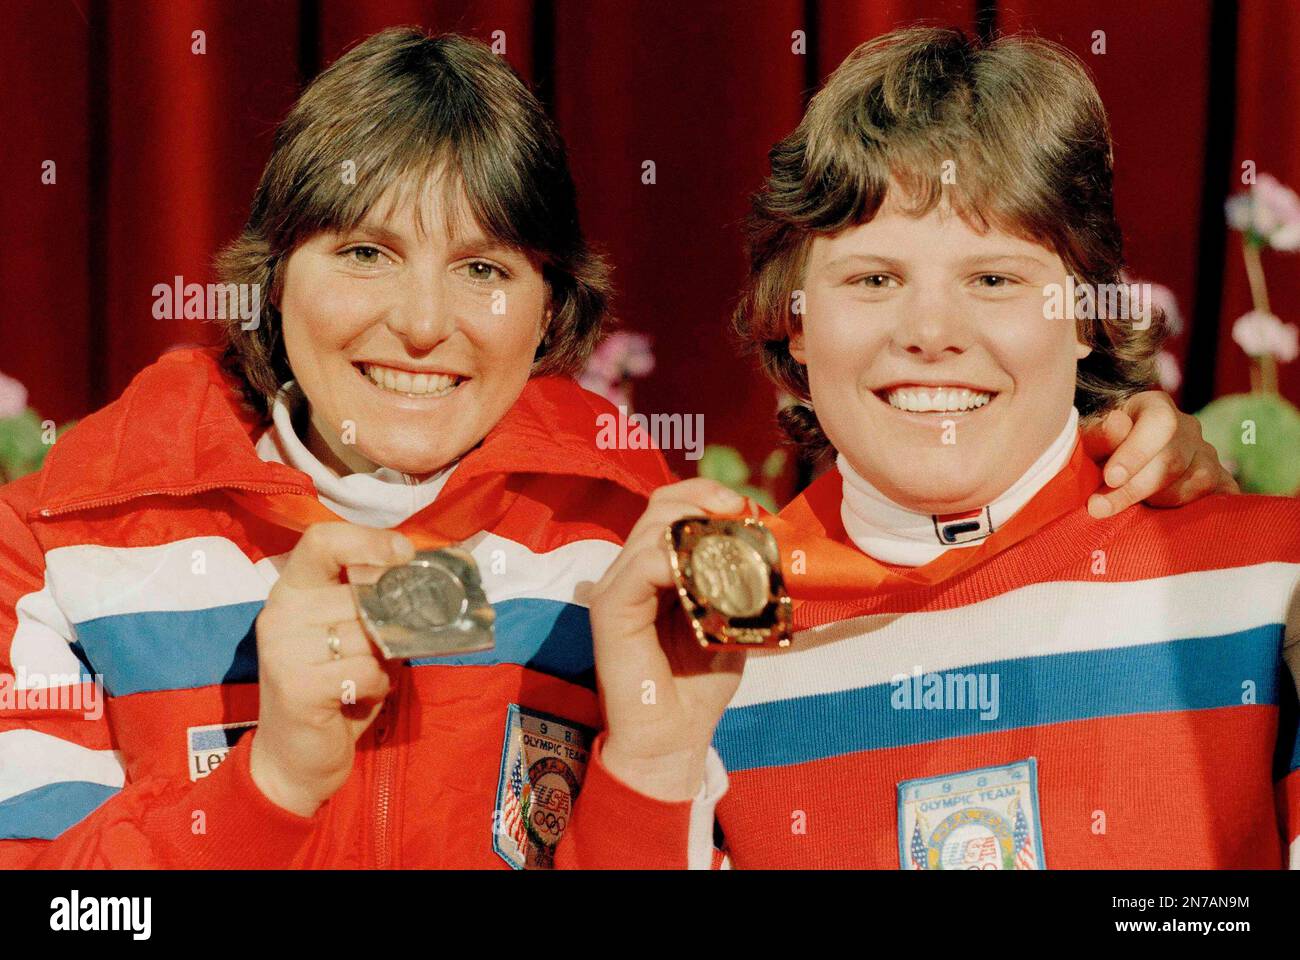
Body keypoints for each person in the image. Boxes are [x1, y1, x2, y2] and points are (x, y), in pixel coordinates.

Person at [0, 27, 1225, 870]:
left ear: (554, 312)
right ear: (270, 284)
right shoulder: (57, 547)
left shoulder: (625, 541)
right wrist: (264, 787)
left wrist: (1115, 480)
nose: (421, 321)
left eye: (483, 267)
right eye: (364, 253)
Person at [562, 27, 1299, 869]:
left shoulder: (1272, 585)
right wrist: (655, 767)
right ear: (795, 321)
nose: (931, 333)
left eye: (993, 279)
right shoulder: (703, 649)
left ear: (1090, 314)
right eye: (874, 279)